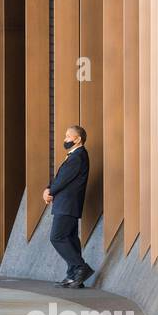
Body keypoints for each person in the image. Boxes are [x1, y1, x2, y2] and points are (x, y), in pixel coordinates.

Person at [44, 124, 92, 289]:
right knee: (70, 239)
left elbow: (63, 180)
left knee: (57, 237)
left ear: (78, 139)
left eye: (68, 136)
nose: (65, 140)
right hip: (67, 205)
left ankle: (80, 267)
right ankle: (74, 276)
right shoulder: (75, 156)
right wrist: (49, 187)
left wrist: (49, 191)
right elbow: (61, 176)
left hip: (67, 205)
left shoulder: (78, 156)